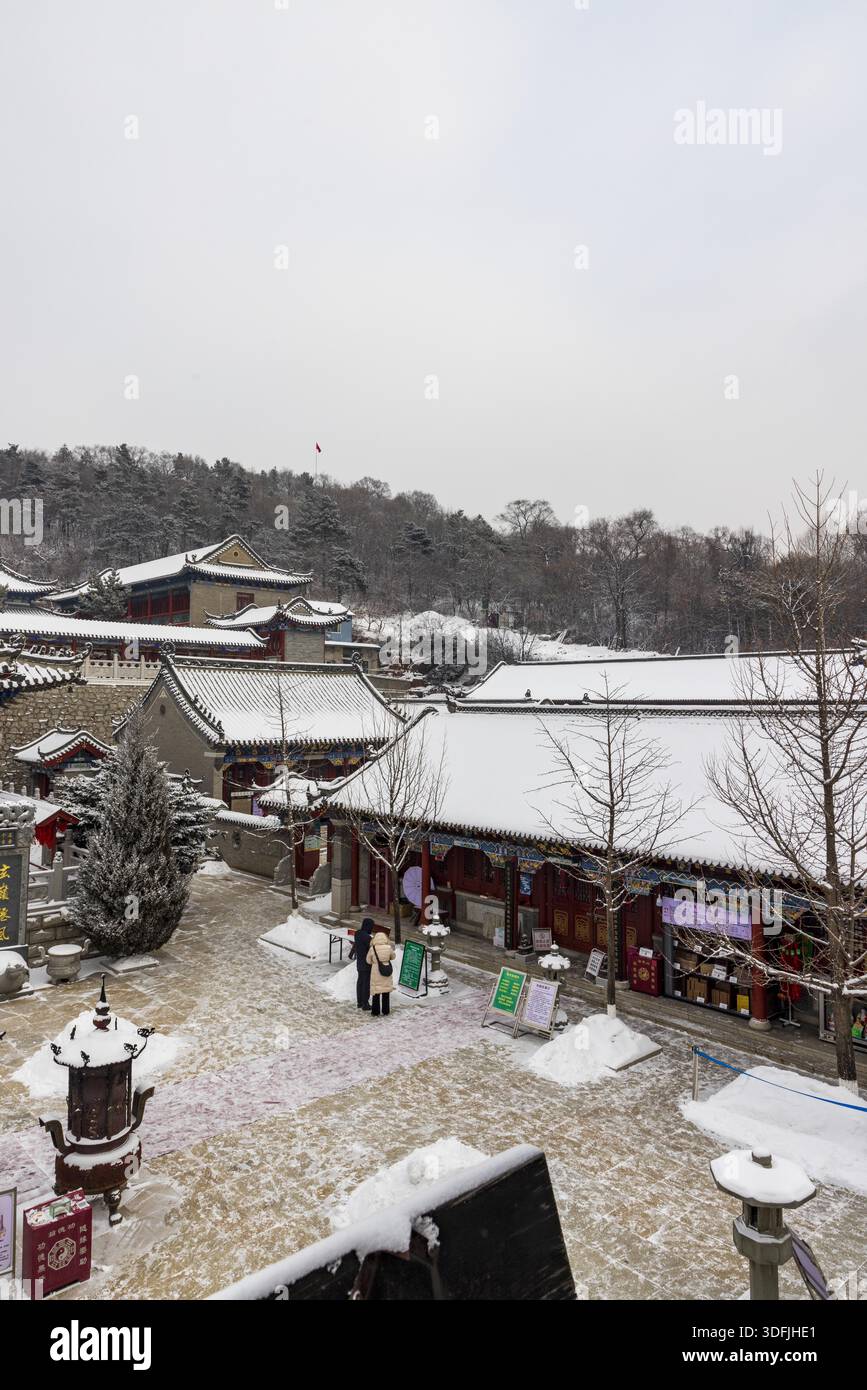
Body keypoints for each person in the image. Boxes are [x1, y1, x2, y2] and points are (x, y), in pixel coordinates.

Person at [367, 924, 396, 1017]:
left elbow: (368, 960)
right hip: (386, 969)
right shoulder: (388, 947)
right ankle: (386, 1011)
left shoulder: (372, 948)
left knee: (376, 992)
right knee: (385, 992)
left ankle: (375, 1012)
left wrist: (374, 962)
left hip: (376, 971)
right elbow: (393, 957)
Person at [350, 917, 374, 1011]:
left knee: (360, 982)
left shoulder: (358, 934)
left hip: (359, 962)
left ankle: (359, 1002)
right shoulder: (367, 937)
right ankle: (365, 1004)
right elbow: (371, 948)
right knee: (366, 984)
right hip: (366, 964)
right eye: (371, 926)